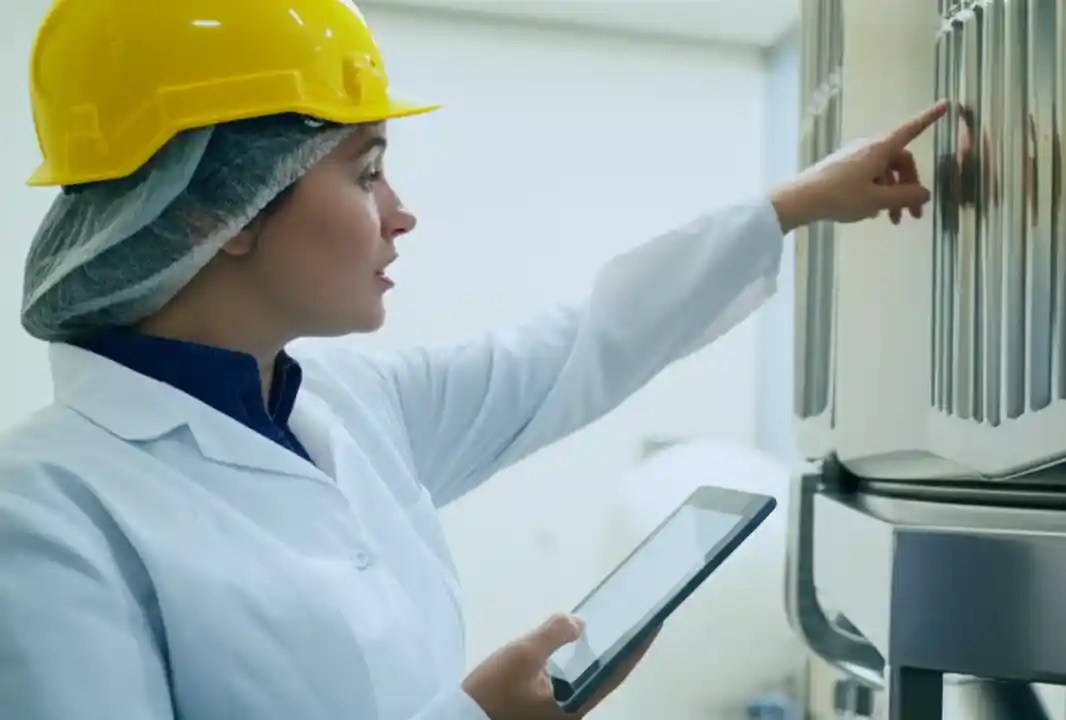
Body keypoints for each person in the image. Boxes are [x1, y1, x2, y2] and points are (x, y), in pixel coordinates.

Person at [0, 1, 946, 719]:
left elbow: (581, 346)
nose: (401, 212)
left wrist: (792, 206)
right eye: (367, 172)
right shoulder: (47, 510)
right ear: (221, 209)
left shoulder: (346, 405)